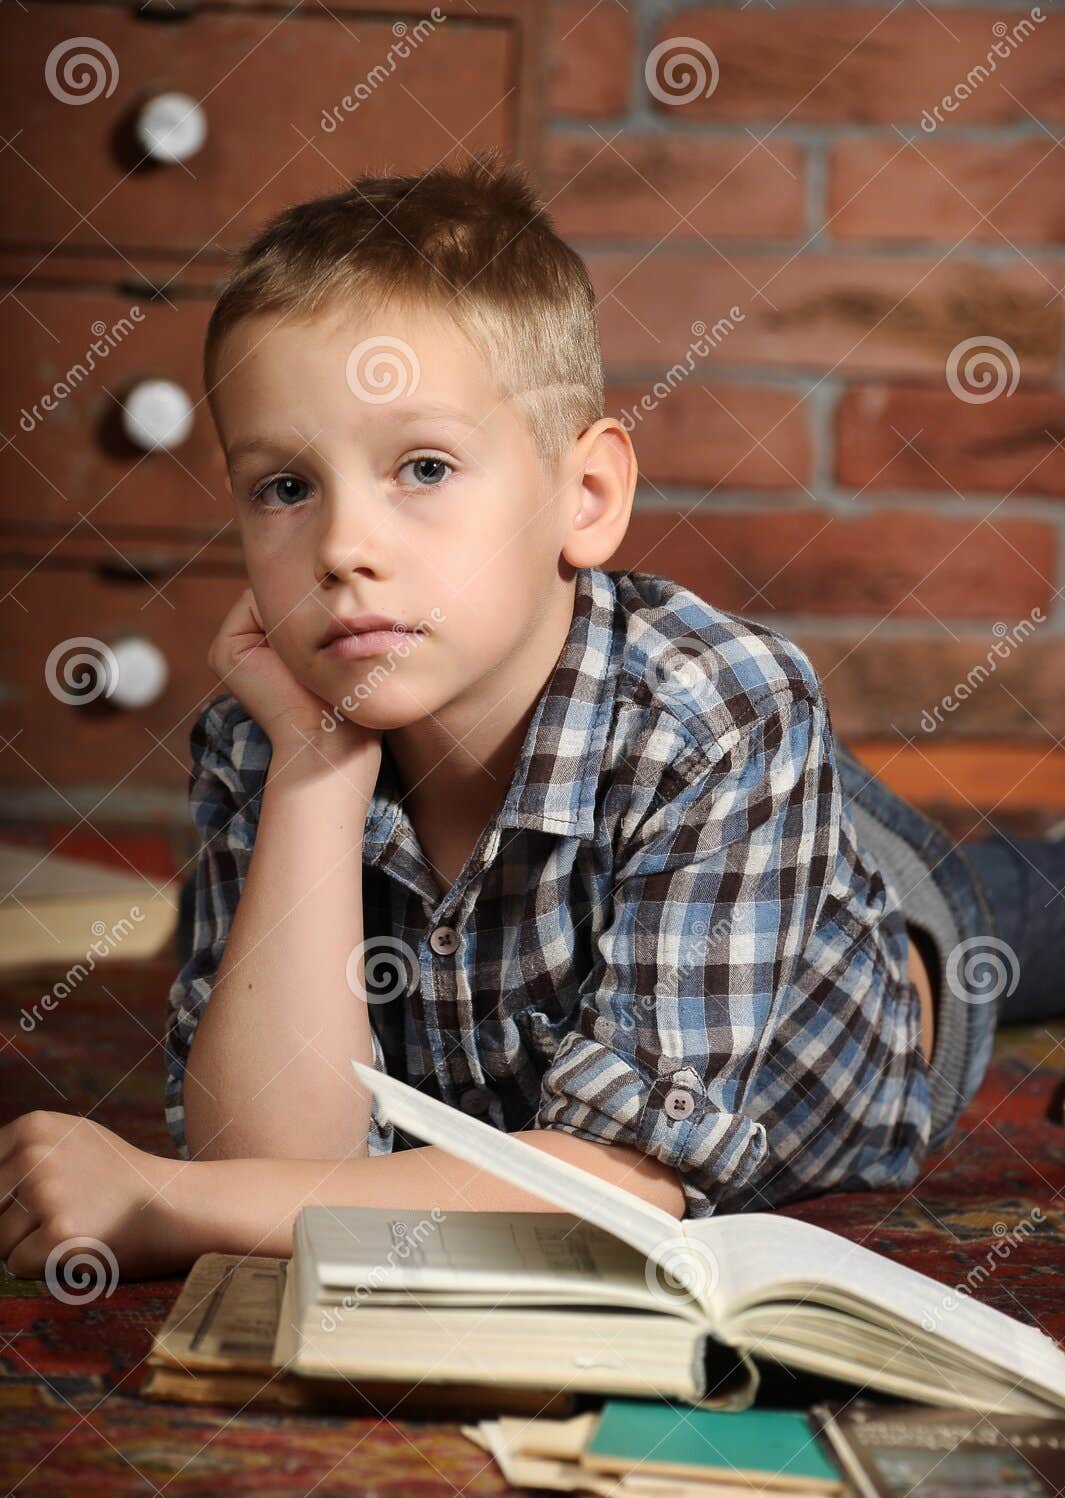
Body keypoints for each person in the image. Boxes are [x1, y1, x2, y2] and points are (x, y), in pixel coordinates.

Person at [1, 151, 1062, 1282]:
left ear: (586, 496)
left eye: (422, 465)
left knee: (1024, 910)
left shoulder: (721, 714)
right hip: (663, 799)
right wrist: (316, 770)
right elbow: (266, 1159)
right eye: (285, 487)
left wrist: (166, 1200)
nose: (342, 548)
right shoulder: (262, 734)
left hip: (881, 942)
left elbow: (613, 1188)